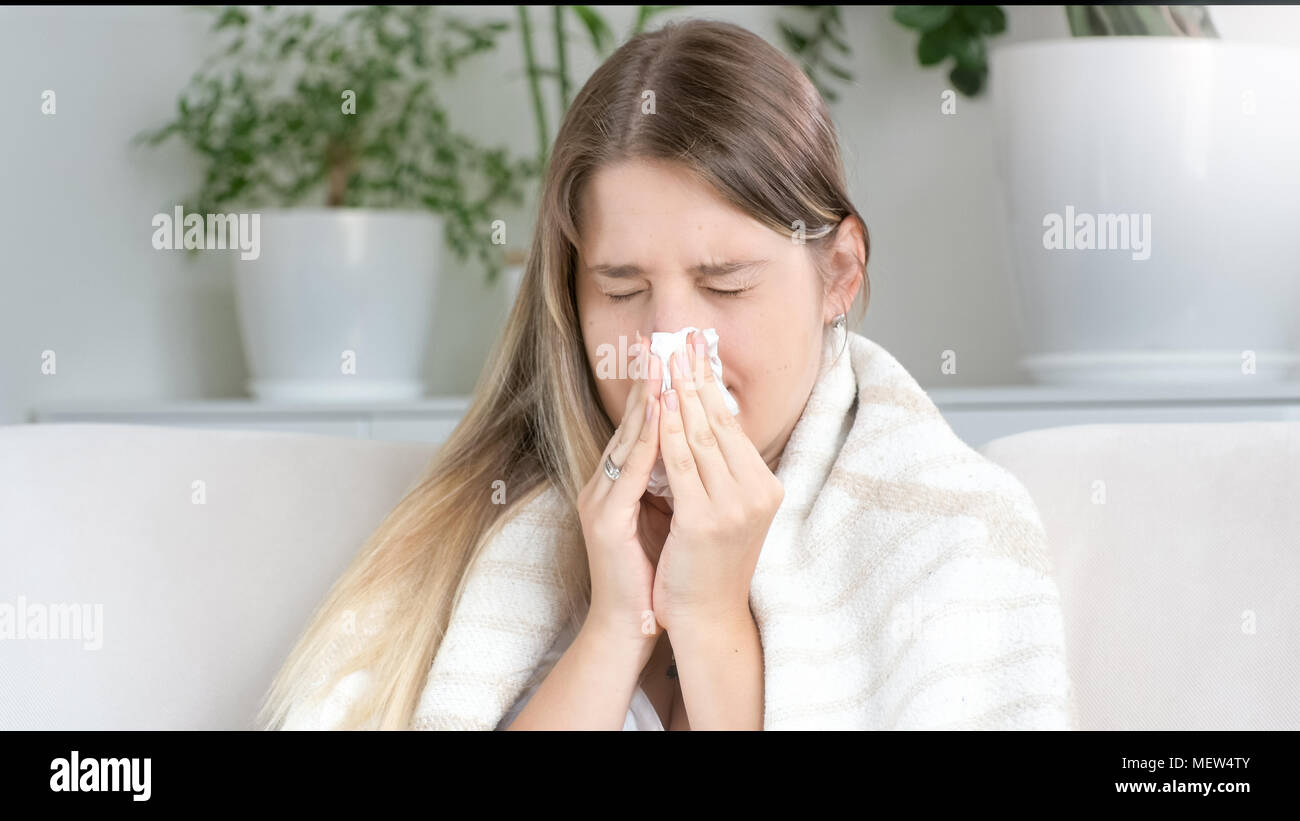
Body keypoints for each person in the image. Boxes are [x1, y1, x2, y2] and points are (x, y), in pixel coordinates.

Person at [259, 18, 1075, 732]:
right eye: (622, 288)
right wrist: (620, 621)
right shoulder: (493, 530)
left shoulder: (950, 534)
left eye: (725, 283)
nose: (669, 342)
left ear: (840, 274)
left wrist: (712, 615)